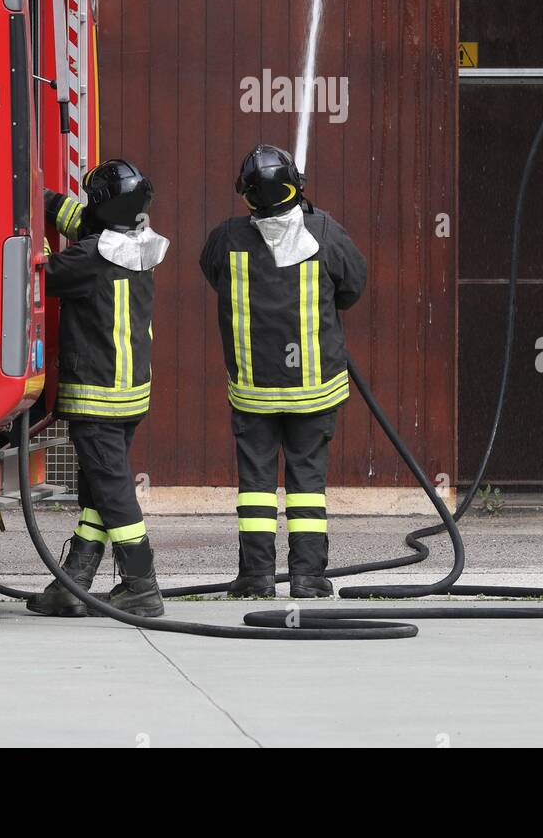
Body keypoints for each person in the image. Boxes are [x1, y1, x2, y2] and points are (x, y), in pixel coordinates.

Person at [200, 144, 367, 599]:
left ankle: (255, 579)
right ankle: (309, 578)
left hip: (254, 392)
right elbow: (353, 286)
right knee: (307, 485)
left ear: (248, 196)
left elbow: (212, 274)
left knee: (255, 487)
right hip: (314, 390)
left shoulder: (226, 238)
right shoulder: (326, 233)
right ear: (297, 186)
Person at [28, 160, 169, 619]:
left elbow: (36, 276)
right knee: (96, 493)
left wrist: (30, 232)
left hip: (97, 399)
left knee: (112, 492)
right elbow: (89, 221)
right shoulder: (140, 244)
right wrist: (44, 198)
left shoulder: (89, 258)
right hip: (128, 398)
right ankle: (74, 586)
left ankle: (141, 586)